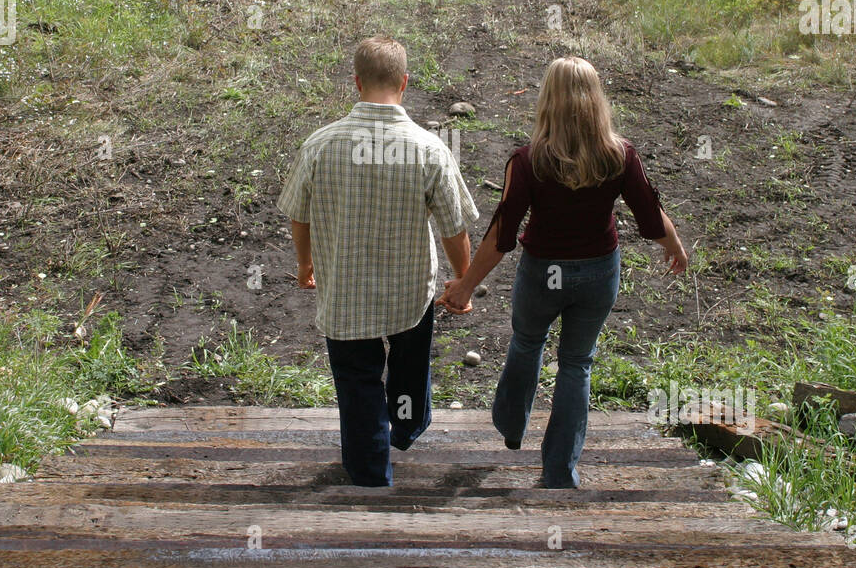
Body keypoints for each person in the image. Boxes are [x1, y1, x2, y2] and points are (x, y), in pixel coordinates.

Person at [437, 56, 688, 488]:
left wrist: (465, 285)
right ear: (596, 100)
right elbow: (649, 216)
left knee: (527, 344)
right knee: (576, 364)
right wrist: (675, 245)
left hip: (543, 274)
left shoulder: (529, 159)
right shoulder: (619, 155)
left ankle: (512, 427)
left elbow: (502, 234)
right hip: (597, 274)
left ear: (547, 100)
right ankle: (559, 472)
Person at [279, 36, 479, 487]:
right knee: (410, 367)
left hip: (345, 293)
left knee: (357, 381)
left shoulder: (320, 144)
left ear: (356, 82)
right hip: (410, 292)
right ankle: (406, 428)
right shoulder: (429, 149)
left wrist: (305, 265)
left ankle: (371, 470)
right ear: (405, 83)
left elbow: (299, 214)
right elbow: (453, 228)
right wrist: (463, 280)